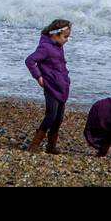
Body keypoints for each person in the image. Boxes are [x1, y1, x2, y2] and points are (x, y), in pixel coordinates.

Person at [24, 18, 71, 154]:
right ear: (54, 35)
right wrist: (39, 77)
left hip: (61, 86)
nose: (67, 40)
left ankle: (51, 146)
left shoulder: (58, 46)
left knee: (59, 118)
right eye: (65, 37)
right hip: (51, 86)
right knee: (51, 116)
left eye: (68, 37)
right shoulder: (45, 48)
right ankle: (34, 145)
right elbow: (30, 61)